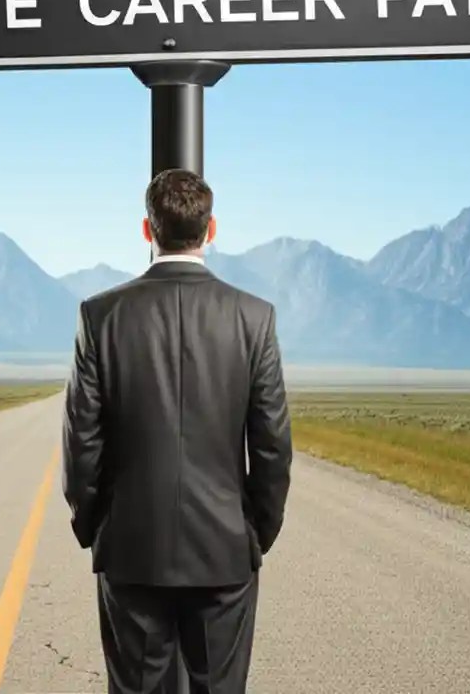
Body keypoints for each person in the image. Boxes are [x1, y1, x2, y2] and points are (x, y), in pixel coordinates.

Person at [62, 168, 293, 694]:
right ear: (211, 231)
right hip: (225, 554)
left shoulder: (100, 316)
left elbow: (82, 445)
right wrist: (255, 533)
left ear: (147, 229)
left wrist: (96, 528)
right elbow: (273, 445)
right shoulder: (254, 318)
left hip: (131, 551)